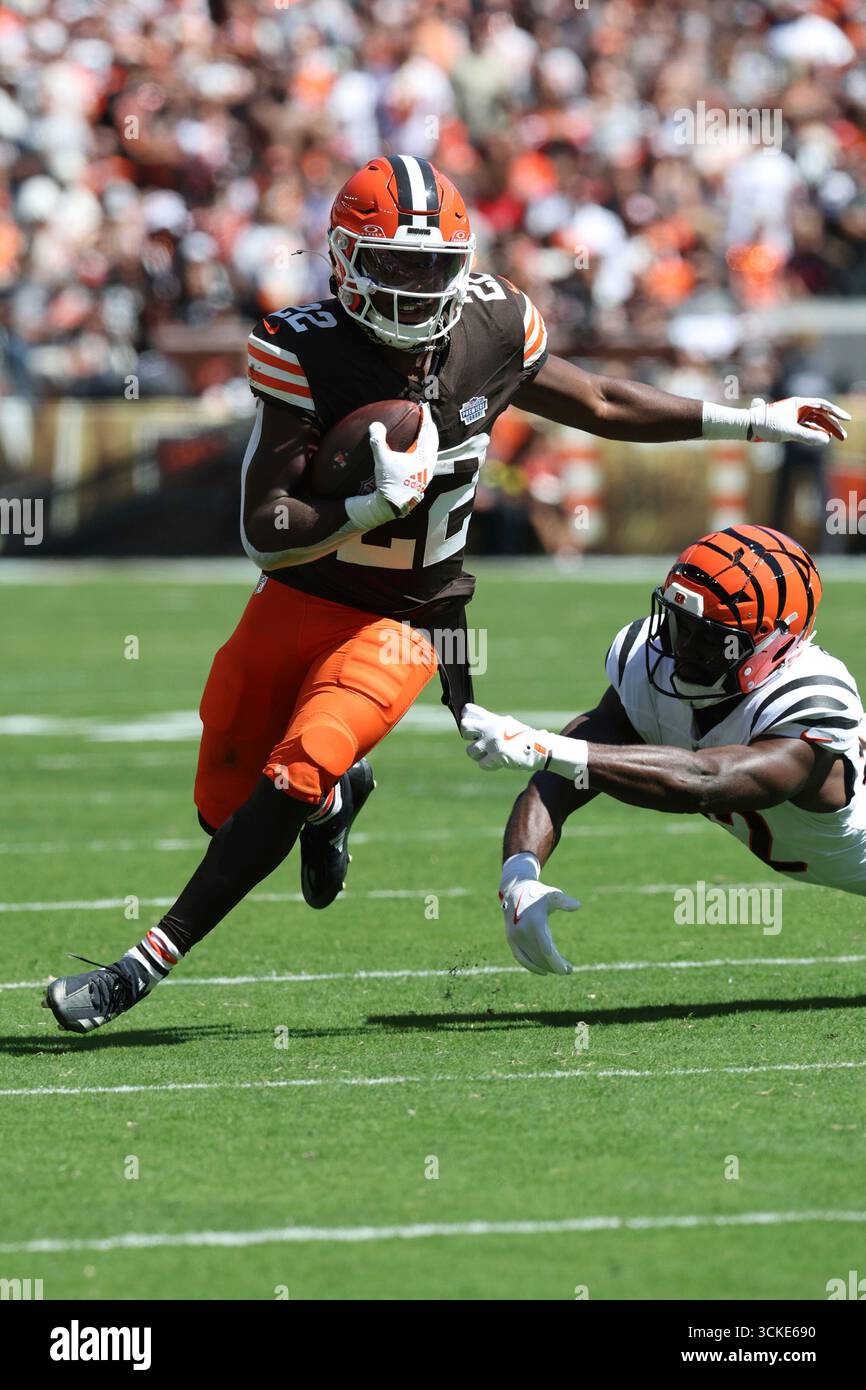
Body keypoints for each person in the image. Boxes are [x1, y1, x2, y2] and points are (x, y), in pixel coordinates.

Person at [43, 156, 850, 1032]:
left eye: (434, 264)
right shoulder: (302, 346)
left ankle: (140, 965)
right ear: (344, 260)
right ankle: (336, 798)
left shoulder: (493, 324)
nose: (417, 284)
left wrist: (751, 415)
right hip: (300, 593)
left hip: (407, 616)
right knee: (222, 805)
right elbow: (264, 525)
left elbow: (606, 400)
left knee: (297, 765)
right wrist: (361, 506)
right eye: (393, 262)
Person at [460, 526, 866, 975]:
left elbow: (703, 783)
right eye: (680, 624)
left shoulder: (810, 702)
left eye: (713, 638)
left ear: (774, 642)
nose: (684, 648)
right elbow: (565, 775)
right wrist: (518, 877)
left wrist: (543, 745)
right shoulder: (652, 662)